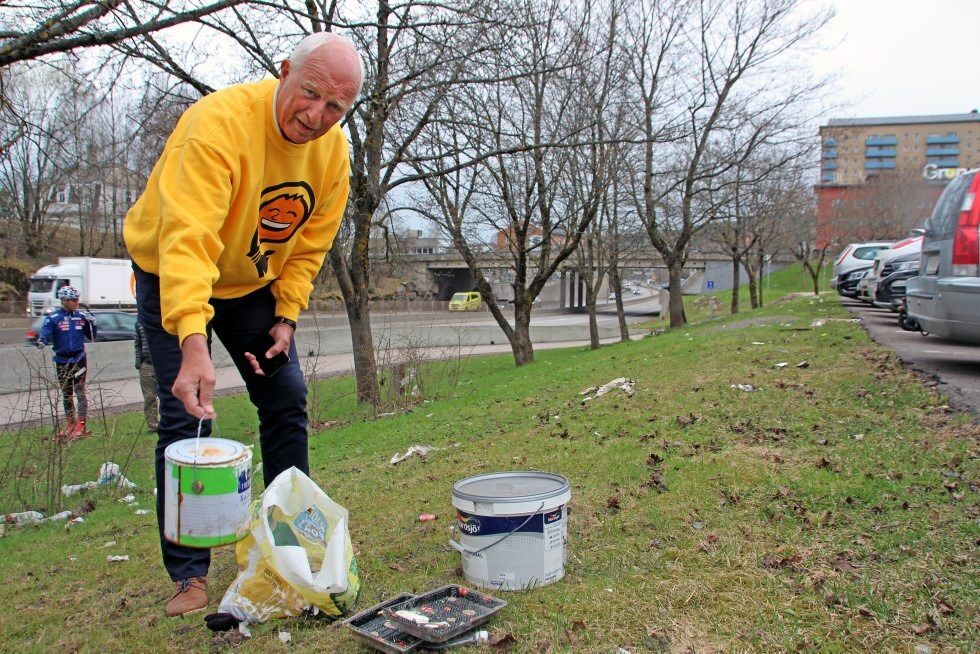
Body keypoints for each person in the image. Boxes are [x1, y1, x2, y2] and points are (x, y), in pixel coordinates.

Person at [123, 32, 363, 618]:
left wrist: (286, 316)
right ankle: (189, 576)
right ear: (284, 71)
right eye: (309, 94)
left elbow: (310, 244)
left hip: (253, 285)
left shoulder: (333, 154)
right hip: (174, 274)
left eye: (335, 108)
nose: (316, 116)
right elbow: (188, 239)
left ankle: (294, 549)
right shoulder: (218, 126)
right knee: (187, 413)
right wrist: (192, 340)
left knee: (286, 397)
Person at [36, 285, 97, 439]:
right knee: (66, 393)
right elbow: (45, 333)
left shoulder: (81, 316)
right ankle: (71, 422)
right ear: (64, 300)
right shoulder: (54, 317)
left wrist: (93, 324)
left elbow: (91, 336)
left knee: (80, 391)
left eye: (77, 299)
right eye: (73, 300)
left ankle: (81, 424)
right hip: (62, 360)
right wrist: (42, 341)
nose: (76, 302)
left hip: (79, 359)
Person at [133, 321, 158, 432]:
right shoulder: (139, 322)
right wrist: (139, 362)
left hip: (163, 363)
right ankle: (153, 425)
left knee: (169, 395)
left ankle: (171, 422)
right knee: (149, 397)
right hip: (146, 364)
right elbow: (137, 343)